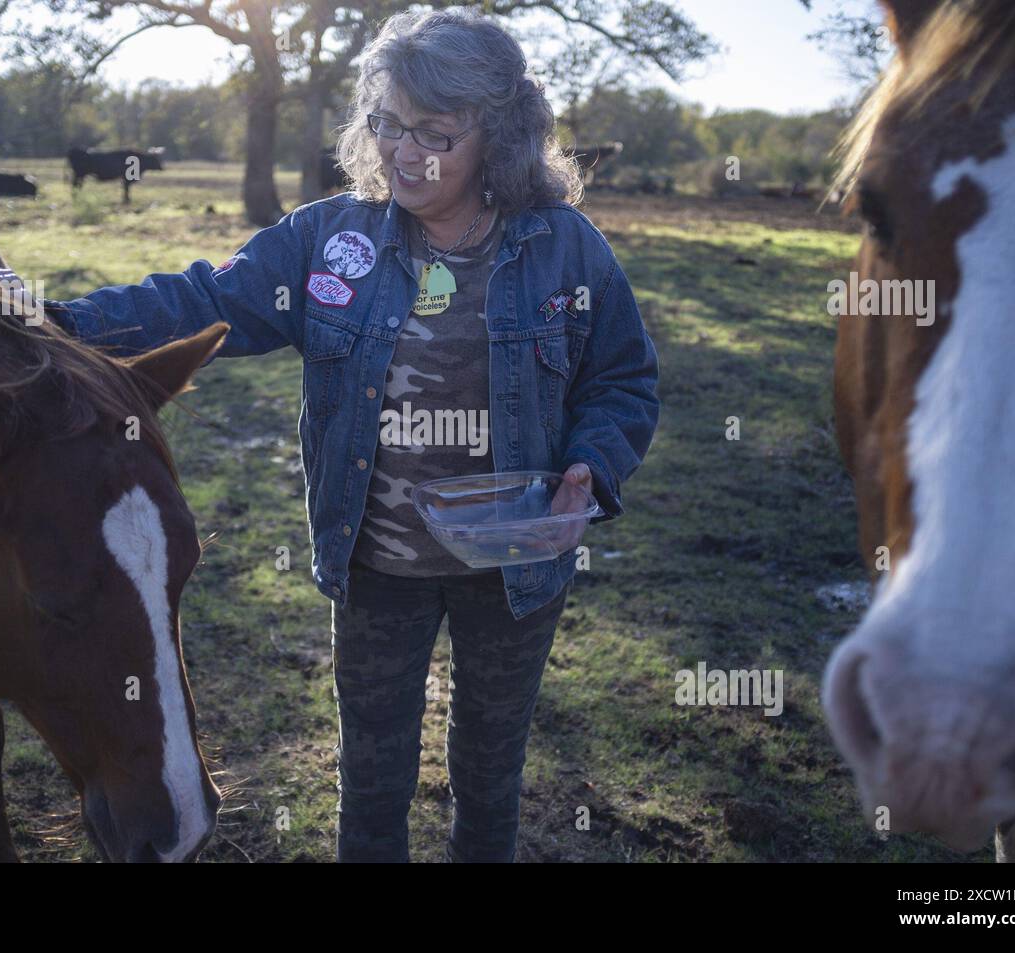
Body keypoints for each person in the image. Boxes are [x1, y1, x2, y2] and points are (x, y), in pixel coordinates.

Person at [42, 8, 659, 862]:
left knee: (490, 777)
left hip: (516, 571)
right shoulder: (331, 240)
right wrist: (60, 321)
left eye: (433, 133)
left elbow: (623, 378)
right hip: (378, 570)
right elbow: (206, 298)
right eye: (389, 124)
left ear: (499, 134)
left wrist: (593, 463)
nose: (405, 152)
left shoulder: (566, 250)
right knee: (371, 784)